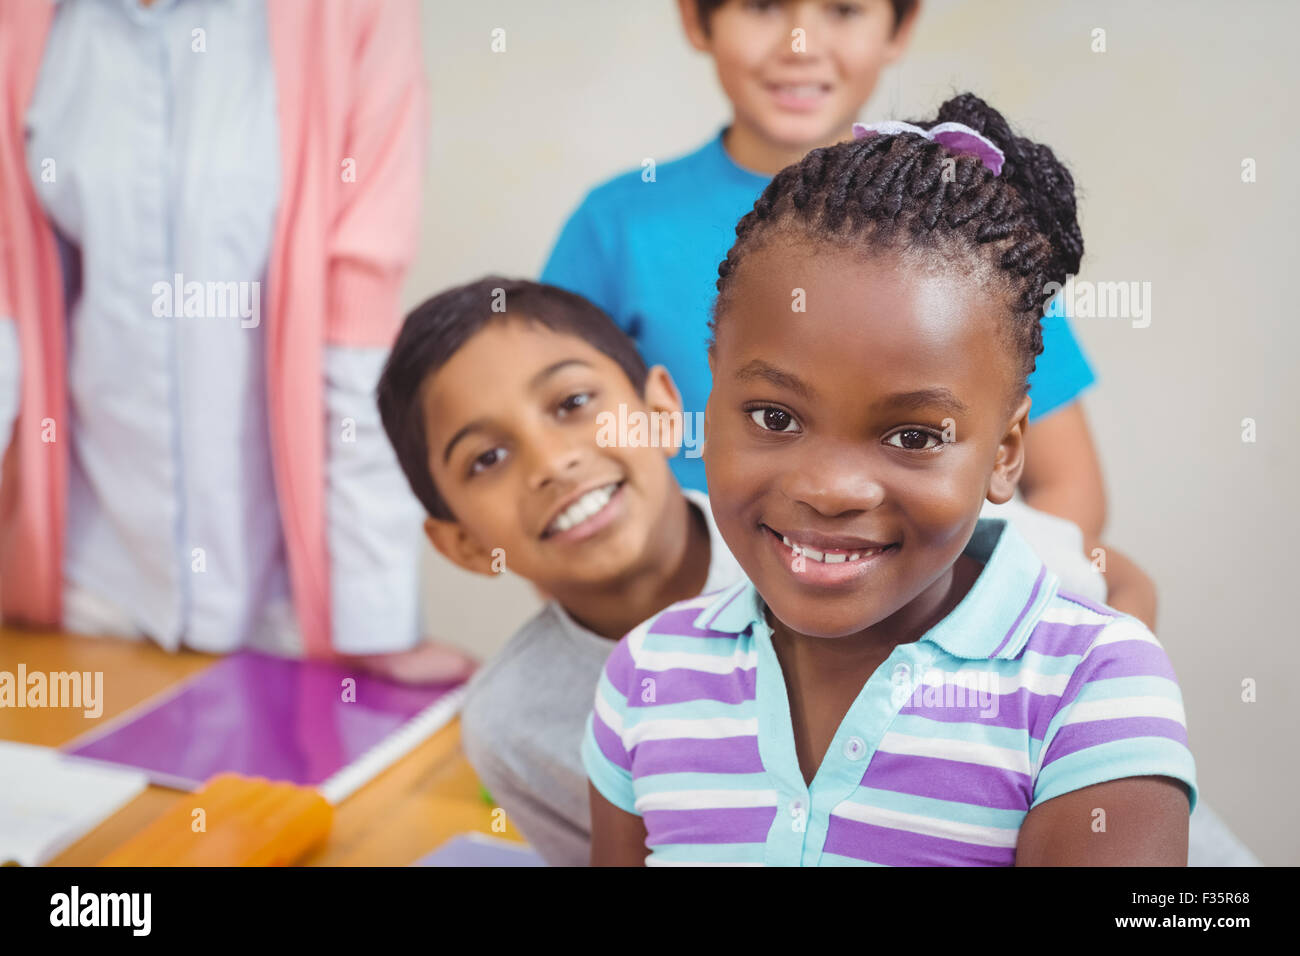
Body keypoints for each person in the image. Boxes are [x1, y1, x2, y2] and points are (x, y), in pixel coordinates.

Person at [584, 94, 1197, 865]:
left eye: (911, 435)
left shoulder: (1091, 687)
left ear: (1007, 452)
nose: (832, 488)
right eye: (774, 417)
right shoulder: (646, 678)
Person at [0, 0, 473, 681]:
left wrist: (375, 619)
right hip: (85, 590)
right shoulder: (30, 22)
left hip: (280, 607)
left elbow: (359, 336)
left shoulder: (358, 16)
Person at [542, 0, 1105, 563]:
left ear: (899, 27)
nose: (799, 45)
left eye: (843, 9)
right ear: (696, 18)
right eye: (762, 6)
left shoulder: (960, 233)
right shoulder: (616, 226)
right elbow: (548, 467)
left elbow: (1065, 485)